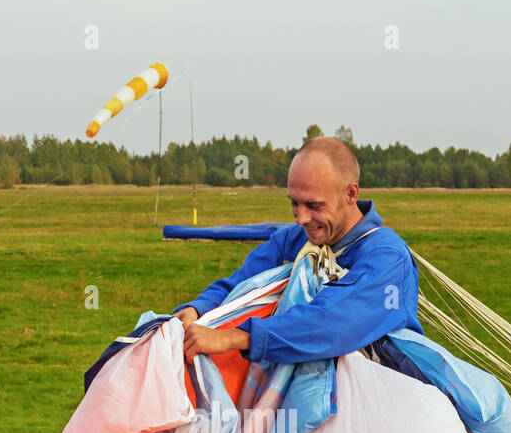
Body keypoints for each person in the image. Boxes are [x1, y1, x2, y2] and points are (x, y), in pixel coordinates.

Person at [173, 135, 423, 365]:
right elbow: (239, 285)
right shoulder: (291, 243)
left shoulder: (388, 259)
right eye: (294, 203)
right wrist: (199, 308)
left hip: (376, 399)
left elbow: (332, 322)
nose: (301, 218)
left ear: (350, 194)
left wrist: (234, 338)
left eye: (314, 205)